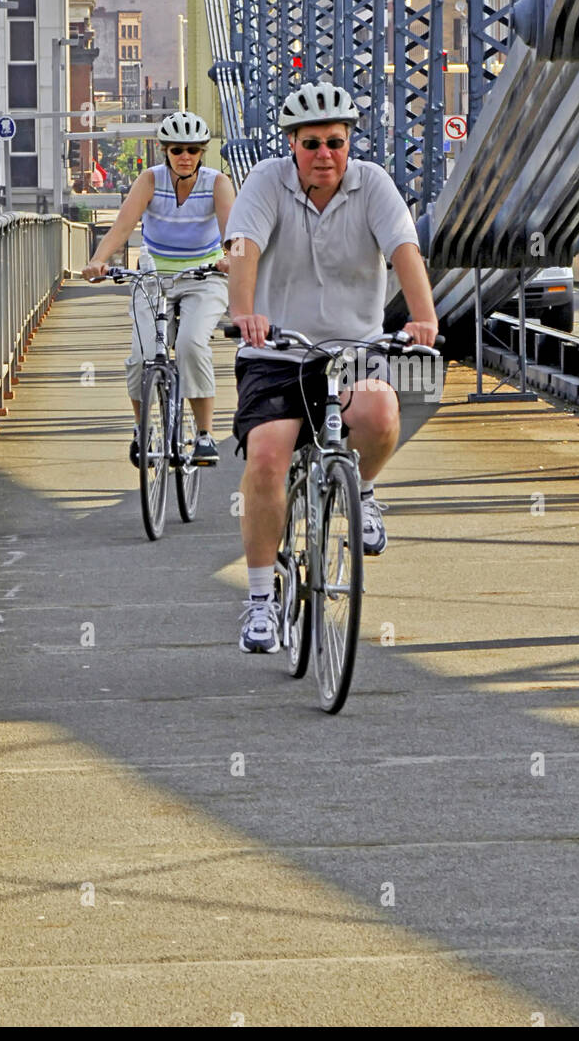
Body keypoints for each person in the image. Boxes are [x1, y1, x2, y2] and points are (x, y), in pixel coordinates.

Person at [225, 80, 440, 654]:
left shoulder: (374, 185)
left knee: (381, 411)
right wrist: (243, 313)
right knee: (267, 458)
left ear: (350, 143)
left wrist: (424, 318)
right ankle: (260, 601)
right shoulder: (266, 182)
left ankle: (362, 492)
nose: (325, 154)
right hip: (277, 351)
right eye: (312, 143)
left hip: (352, 349)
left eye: (336, 142)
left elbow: (404, 250)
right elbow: (242, 246)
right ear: (292, 145)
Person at [82, 111, 235, 466]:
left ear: (202, 153)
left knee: (191, 344)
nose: (185, 156)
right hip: (153, 275)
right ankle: (142, 429)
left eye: (193, 150)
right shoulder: (150, 180)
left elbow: (233, 233)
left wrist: (231, 258)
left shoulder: (217, 183)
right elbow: (122, 227)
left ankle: (204, 434)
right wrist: (98, 261)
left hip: (203, 275)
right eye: (177, 149)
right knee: (141, 356)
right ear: (165, 151)